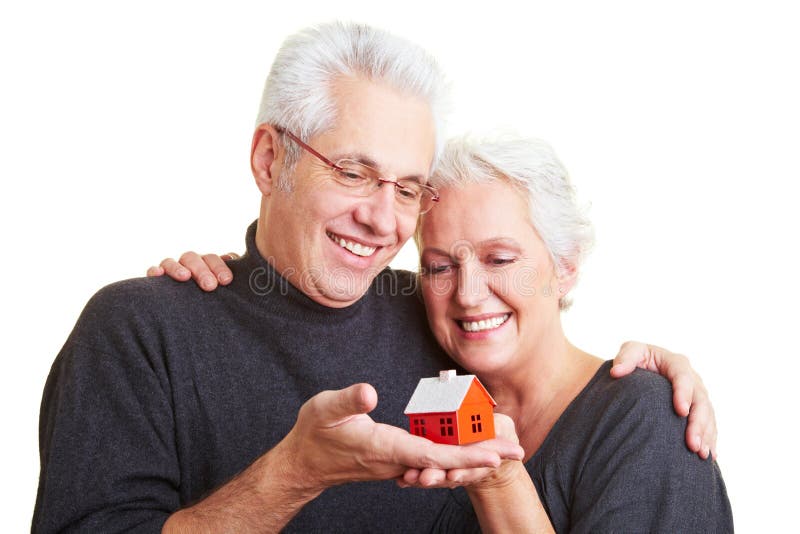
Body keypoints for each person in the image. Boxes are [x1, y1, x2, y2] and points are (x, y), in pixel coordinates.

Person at [34, 22, 715, 533]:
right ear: (271, 161)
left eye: (409, 188)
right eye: (354, 172)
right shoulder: (141, 332)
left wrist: (653, 381)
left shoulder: (433, 317)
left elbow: (544, 359)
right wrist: (291, 474)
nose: (382, 221)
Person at [398, 134, 731, 532]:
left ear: (566, 265)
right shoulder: (412, 385)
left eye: (500, 259)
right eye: (439, 267)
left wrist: (498, 481)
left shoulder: (642, 418)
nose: (468, 295)